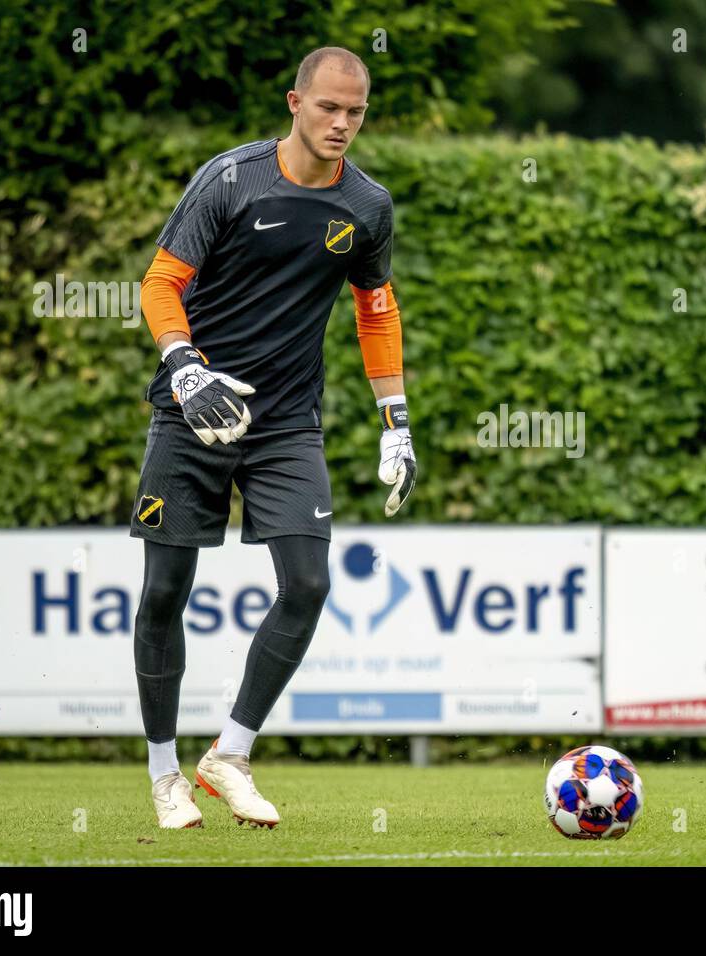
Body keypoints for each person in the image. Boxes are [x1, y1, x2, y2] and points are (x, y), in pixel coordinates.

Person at [129, 46, 415, 829]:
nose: (342, 124)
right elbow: (160, 282)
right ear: (295, 102)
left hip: (288, 422)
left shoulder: (368, 205)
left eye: (356, 112)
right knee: (164, 592)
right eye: (328, 107)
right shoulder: (230, 179)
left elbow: (375, 310)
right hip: (194, 411)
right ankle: (164, 775)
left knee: (310, 584)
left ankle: (229, 755)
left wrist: (397, 423)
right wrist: (186, 369)